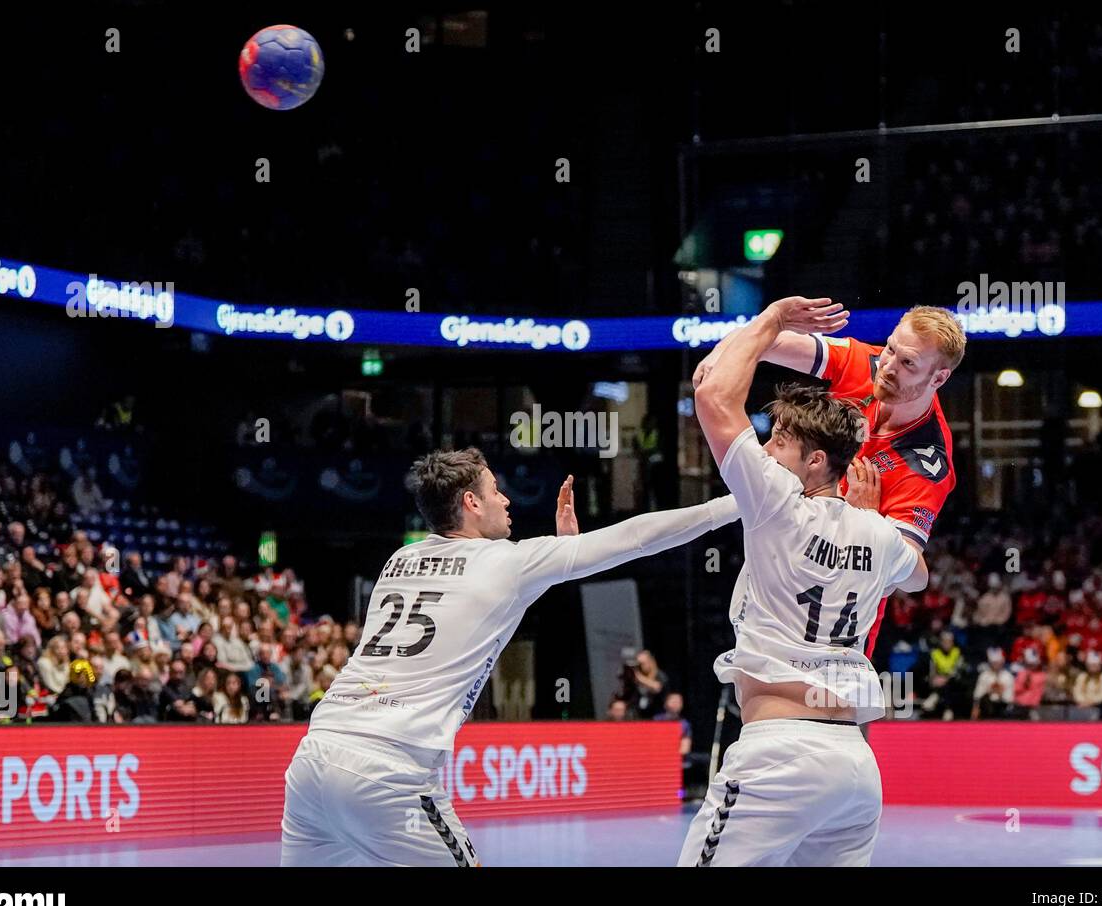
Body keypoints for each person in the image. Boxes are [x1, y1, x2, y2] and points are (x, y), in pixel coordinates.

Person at [281, 446, 740, 867]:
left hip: (312, 760)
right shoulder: (506, 560)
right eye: (495, 492)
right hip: (389, 770)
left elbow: (473, 597)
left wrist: (563, 557)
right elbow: (635, 537)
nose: (507, 501)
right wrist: (736, 502)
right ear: (470, 503)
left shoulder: (398, 560)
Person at [676, 298, 927, 868]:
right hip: (855, 768)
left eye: (777, 442)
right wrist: (872, 523)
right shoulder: (883, 536)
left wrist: (771, 319)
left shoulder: (774, 502)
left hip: (779, 755)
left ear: (815, 462)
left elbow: (713, 394)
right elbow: (917, 575)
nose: (763, 452)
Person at [694, 301, 965, 662]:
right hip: (777, 576)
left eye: (908, 364)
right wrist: (719, 353)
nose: (887, 367)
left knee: (821, 713)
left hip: (837, 633)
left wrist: (863, 523)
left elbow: (913, 577)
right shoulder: (864, 362)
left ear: (938, 379)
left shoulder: (926, 465)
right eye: (890, 349)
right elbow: (765, 340)